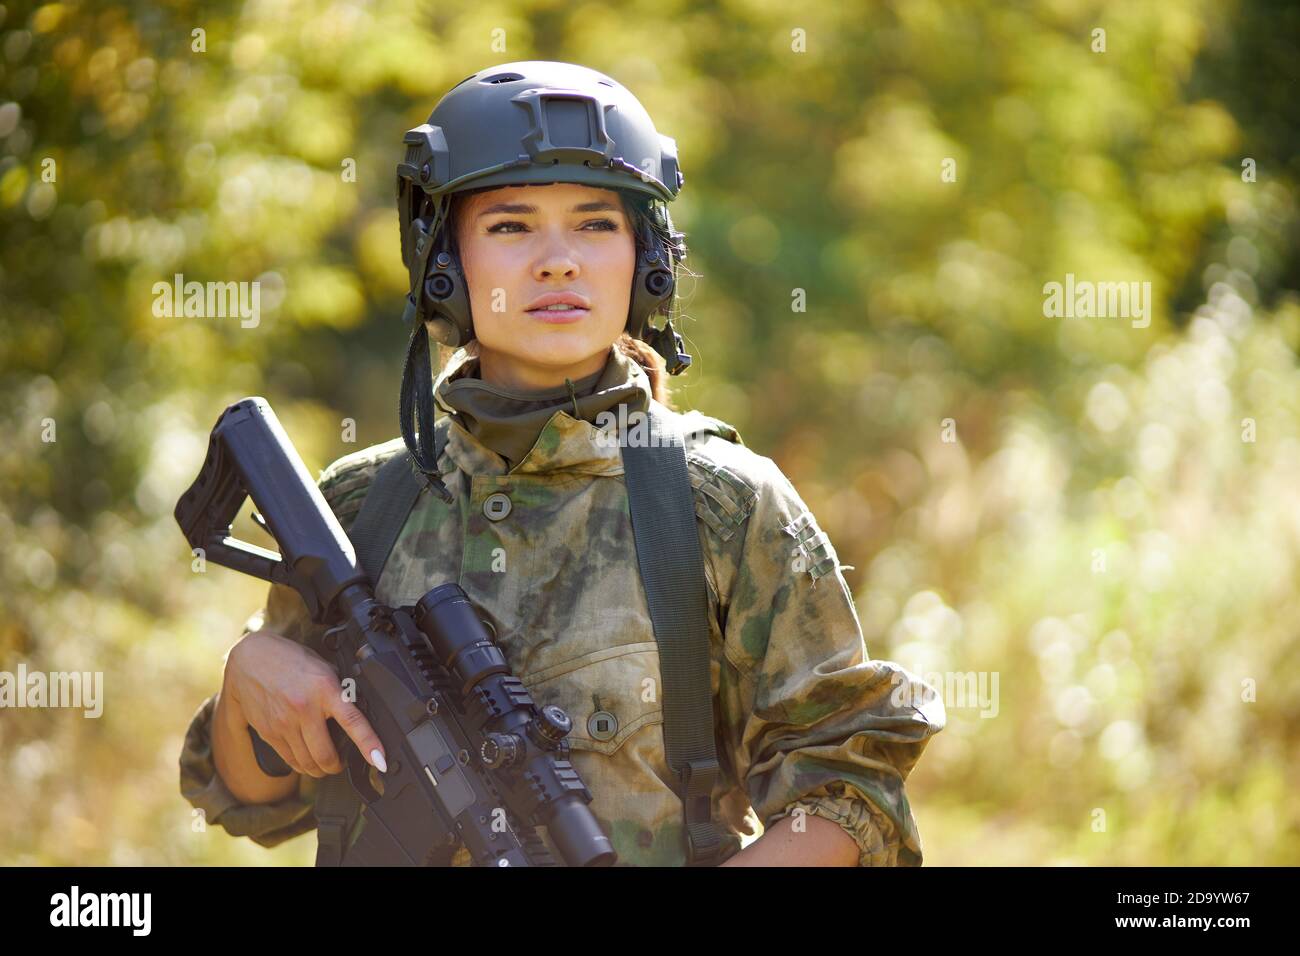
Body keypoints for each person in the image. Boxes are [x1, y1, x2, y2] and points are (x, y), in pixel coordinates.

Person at [179, 60, 945, 867]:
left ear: (646, 262)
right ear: (444, 265)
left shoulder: (719, 506)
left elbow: (849, 791)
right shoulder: (362, 504)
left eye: (595, 224)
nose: (558, 261)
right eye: (511, 226)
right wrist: (247, 680)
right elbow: (253, 800)